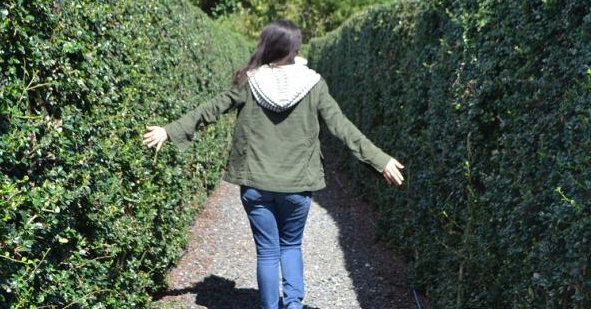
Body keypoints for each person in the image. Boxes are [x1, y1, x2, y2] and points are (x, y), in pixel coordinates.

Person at [142, 19, 404, 309]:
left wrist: (170, 130)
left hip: (255, 185)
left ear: (267, 45)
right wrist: (381, 160)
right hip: (297, 186)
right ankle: (293, 305)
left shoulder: (249, 81)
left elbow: (212, 108)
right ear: (294, 47)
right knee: (290, 246)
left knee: (267, 252)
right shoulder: (314, 84)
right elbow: (342, 127)